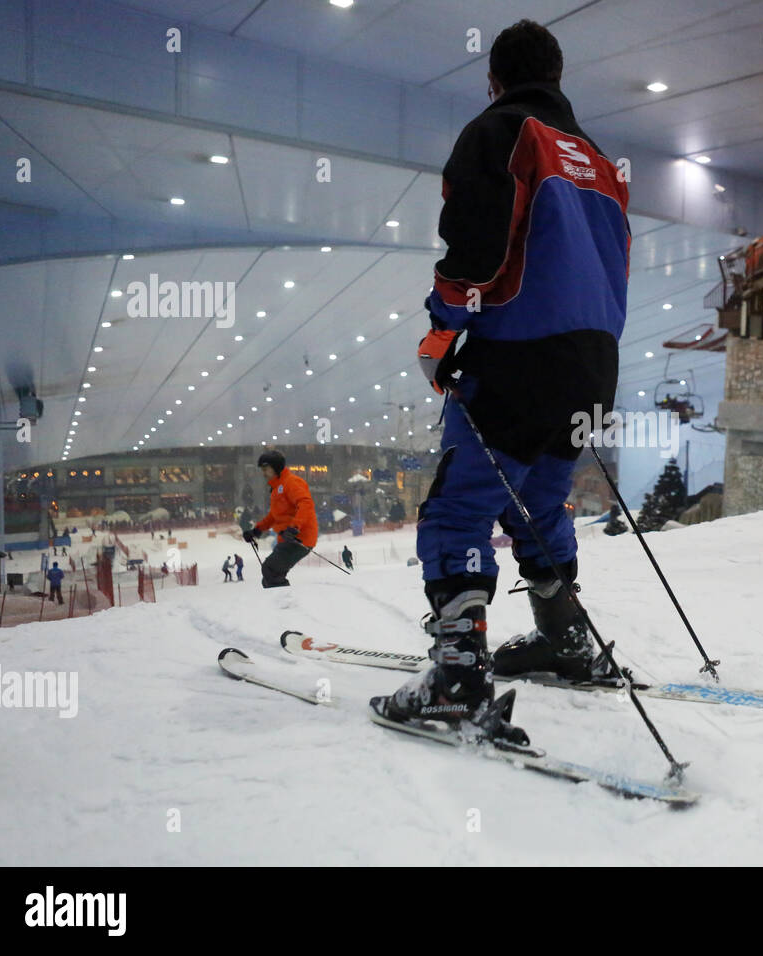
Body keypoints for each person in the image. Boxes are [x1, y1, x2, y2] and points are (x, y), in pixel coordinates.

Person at [371, 19, 630, 740]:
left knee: (459, 511)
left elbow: (475, 255)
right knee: (538, 504)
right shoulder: (598, 160)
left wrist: (443, 325)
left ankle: (456, 681)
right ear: (558, 75)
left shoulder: (502, 133)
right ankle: (565, 639)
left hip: (518, 353)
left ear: (494, 79)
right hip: (593, 362)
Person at [242, 450, 318, 587]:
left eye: (266, 469)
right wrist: (256, 530)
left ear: (276, 467)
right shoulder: (277, 488)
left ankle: (285, 604)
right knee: (270, 575)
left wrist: (294, 528)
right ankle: (279, 603)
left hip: (300, 538)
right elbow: (274, 516)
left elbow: (305, 504)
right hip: (287, 539)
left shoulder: (292, 482)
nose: (263, 473)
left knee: (270, 570)